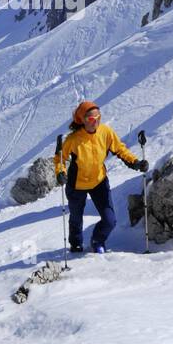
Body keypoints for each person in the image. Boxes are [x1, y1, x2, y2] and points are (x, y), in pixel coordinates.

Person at [54, 100, 148, 254]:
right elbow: (60, 158)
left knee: (110, 220)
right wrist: (60, 173)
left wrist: (136, 162)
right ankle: (76, 245)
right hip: (77, 185)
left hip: (99, 182)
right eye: (91, 119)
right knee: (76, 219)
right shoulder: (73, 140)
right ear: (82, 120)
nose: (95, 121)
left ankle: (98, 240)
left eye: (98, 117)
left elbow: (120, 149)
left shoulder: (105, 132)